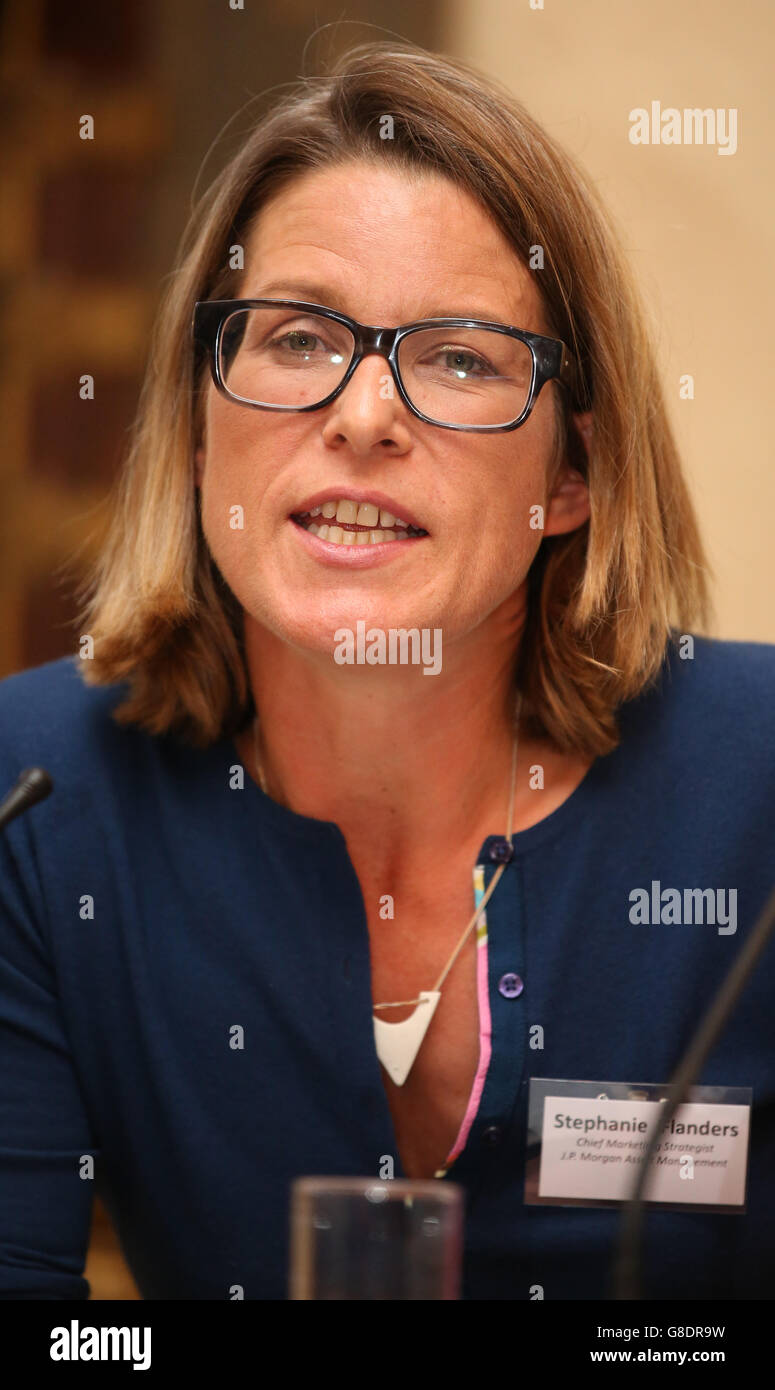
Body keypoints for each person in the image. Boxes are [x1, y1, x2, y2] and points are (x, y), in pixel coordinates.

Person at [0, 40, 773, 1302]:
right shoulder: (38, 798)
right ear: (202, 427)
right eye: (298, 339)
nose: (362, 415)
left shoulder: (755, 787)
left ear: (570, 474)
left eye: (460, 357)